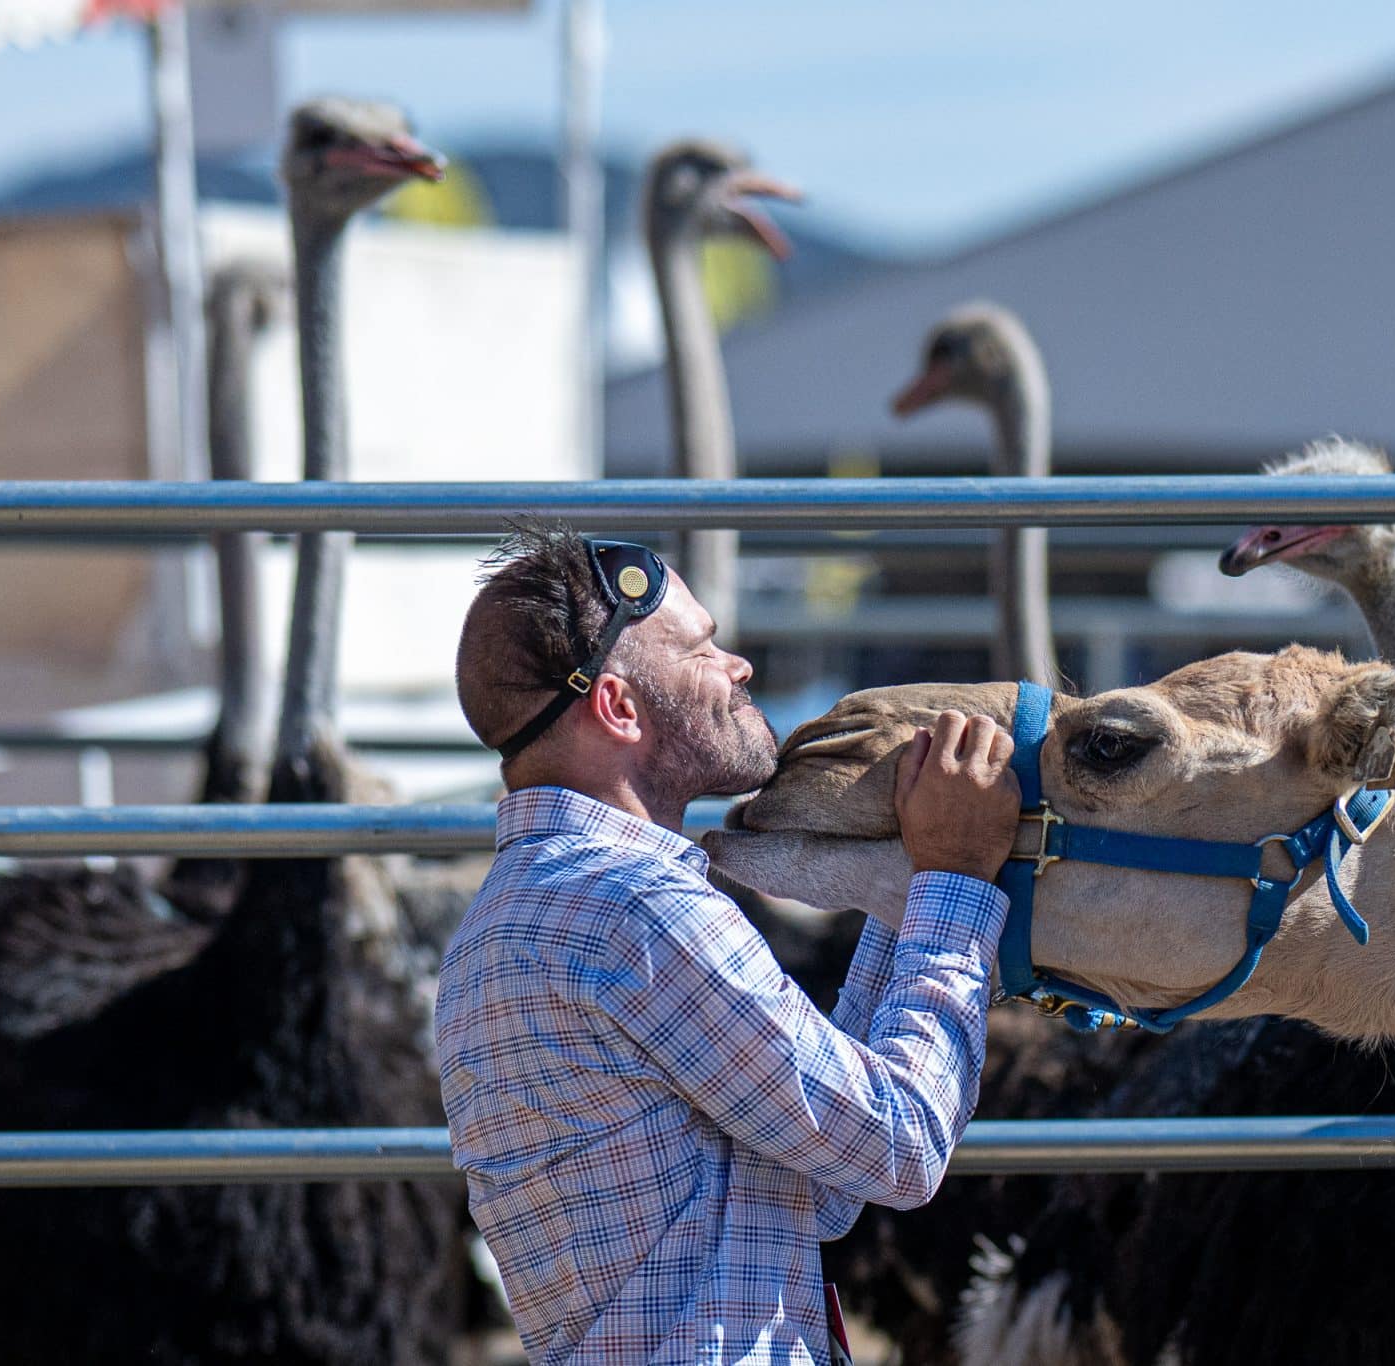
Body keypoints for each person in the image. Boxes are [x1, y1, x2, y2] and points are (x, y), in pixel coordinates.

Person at [434, 526, 1019, 1365]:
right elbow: (899, 1144)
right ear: (618, 708)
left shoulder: (507, 923)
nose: (737, 666)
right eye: (702, 648)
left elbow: (815, 1182)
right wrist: (957, 880)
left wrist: (905, 886)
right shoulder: (634, 908)